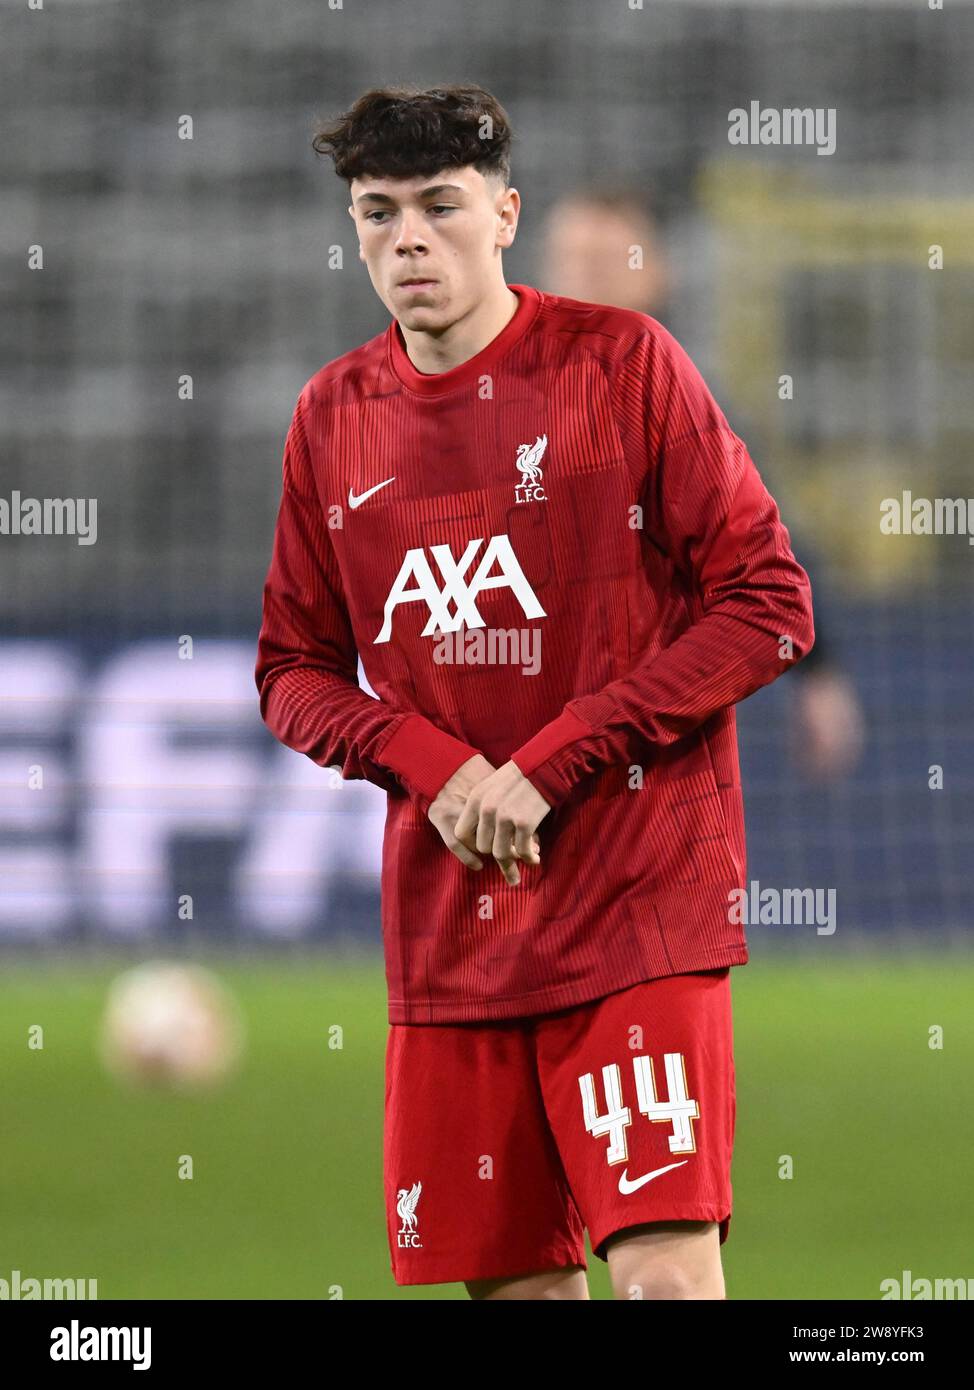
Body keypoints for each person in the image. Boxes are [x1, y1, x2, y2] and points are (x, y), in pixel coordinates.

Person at [254, 85, 815, 1300]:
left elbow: (769, 602)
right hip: (455, 934)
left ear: (503, 214)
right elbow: (289, 674)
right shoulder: (329, 421)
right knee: (518, 1293)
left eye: (440, 208)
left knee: (664, 1276)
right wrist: (428, 760)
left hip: (634, 902)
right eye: (377, 213)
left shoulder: (621, 366)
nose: (408, 239)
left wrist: (558, 756)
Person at [541, 187, 864, 781]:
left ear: (655, 274)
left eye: (606, 262)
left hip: (651, 719)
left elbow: (769, 541)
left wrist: (819, 674)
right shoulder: (499, 393)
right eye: (572, 261)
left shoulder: (686, 400)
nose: (583, 281)